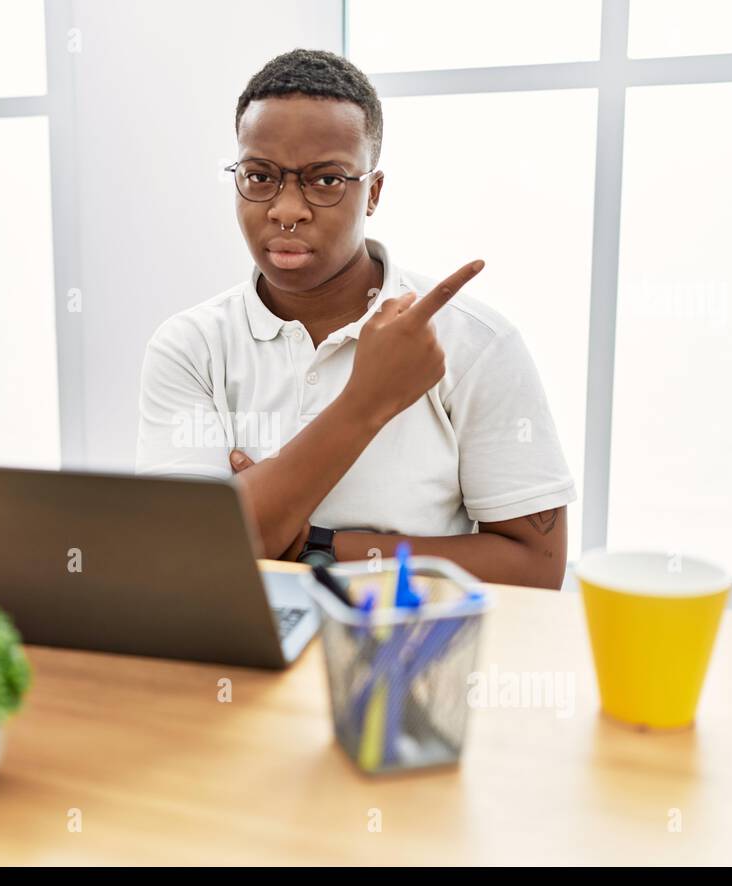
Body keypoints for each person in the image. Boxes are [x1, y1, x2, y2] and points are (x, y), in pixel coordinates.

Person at [136, 49, 577, 589]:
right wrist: (367, 402)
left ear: (373, 192)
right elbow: (190, 553)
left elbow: (536, 568)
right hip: (240, 658)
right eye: (260, 176)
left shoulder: (475, 342)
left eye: (325, 181)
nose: (286, 209)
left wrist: (315, 543)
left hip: (406, 654)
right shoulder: (190, 346)